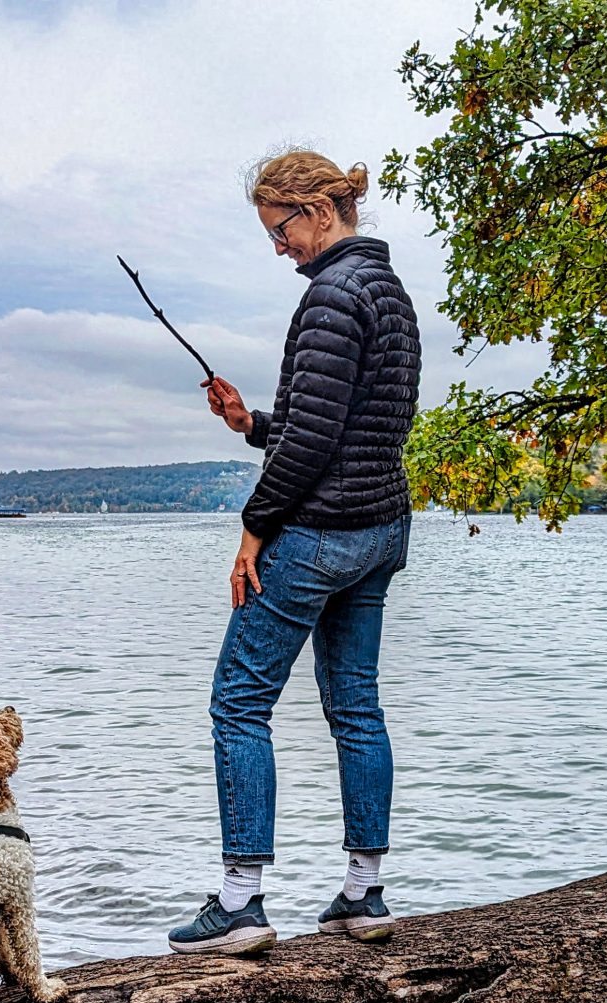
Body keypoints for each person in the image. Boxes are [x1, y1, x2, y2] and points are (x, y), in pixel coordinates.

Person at [166, 150, 422, 955]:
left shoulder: (329, 298)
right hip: (380, 531)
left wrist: (253, 528)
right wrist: (250, 426)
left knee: (238, 703)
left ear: (319, 209)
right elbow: (341, 429)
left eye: (281, 231)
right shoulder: (390, 294)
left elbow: (314, 443)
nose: (279, 248)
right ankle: (363, 893)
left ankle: (241, 901)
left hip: (317, 537)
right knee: (357, 707)